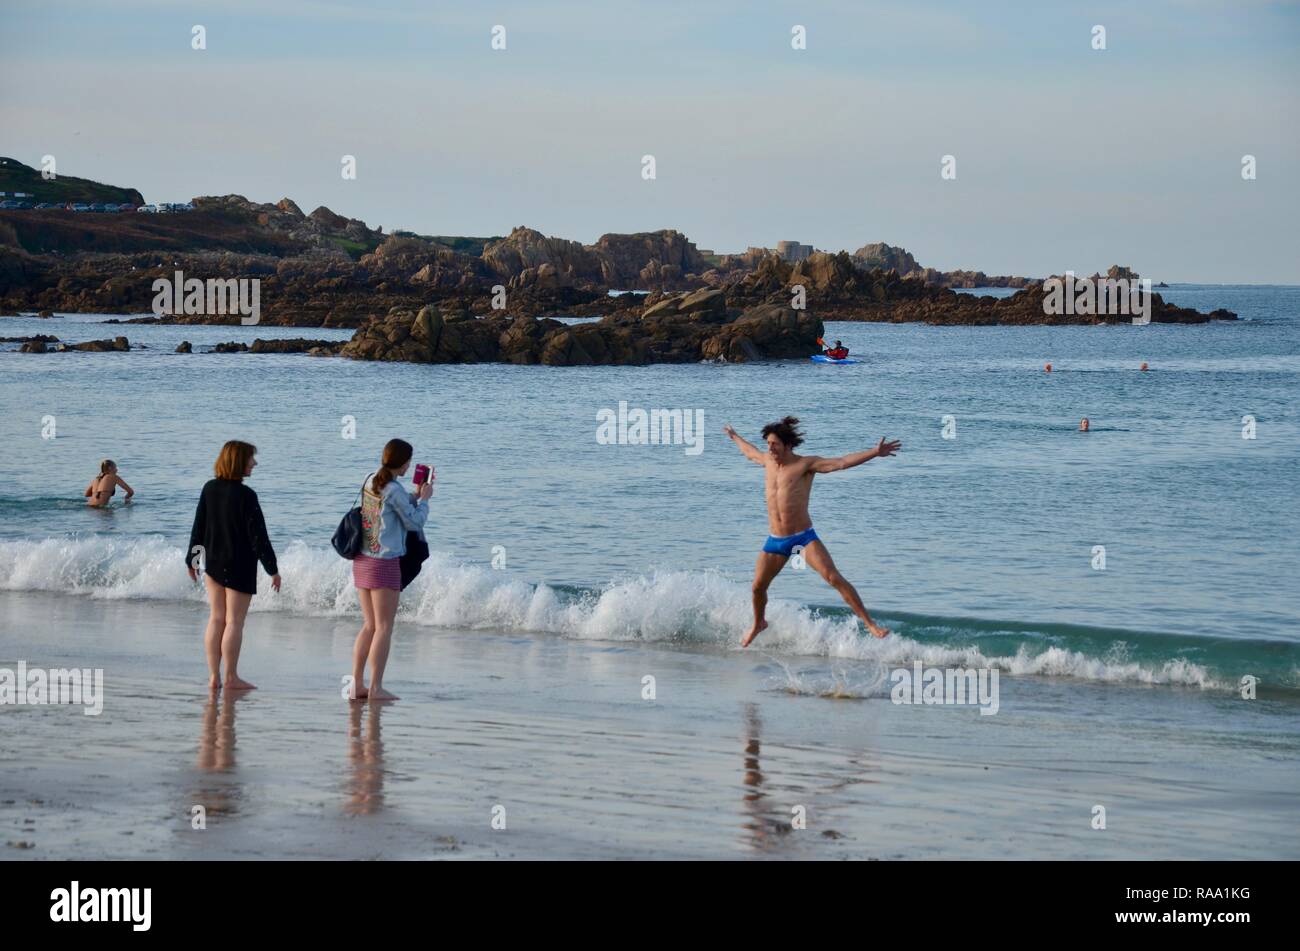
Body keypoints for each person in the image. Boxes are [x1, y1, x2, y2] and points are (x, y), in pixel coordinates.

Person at [723, 417, 899, 647]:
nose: (770, 448)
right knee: (757, 587)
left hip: (803, 537)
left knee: (833, 577)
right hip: (776, 540)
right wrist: (735, 436)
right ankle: (759, 623)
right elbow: (749, 452)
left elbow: (841, 462)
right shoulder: (767, 461)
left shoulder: (805, 465)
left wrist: (874, 453)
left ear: (788, 445)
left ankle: (870, 624)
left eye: (774, 444)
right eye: (768, 444)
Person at [186, 440, 281, 691]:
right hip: (240, 564)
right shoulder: (247, 495)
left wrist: (193, 560)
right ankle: (231, 677)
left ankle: (213, 677)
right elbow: (258, 536)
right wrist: (272, 569)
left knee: (217, 618)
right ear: (239, 461)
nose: (255, 463)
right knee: (235, 622)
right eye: (252, 459)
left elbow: (199, 528)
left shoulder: (209, 489)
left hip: (213, 563)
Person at [349, 439, 431, 703]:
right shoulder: (393, 488)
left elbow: (389, 506)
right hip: (384, 562)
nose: (410, 465)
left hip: (362, 559)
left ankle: (356, 685)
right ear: (403, 462)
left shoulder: (370, 478)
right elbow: (413, 522)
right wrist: (425, 501)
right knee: (384, 627)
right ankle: (376, 688)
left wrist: (414, 496)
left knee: (369, 625)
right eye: (409, 461)